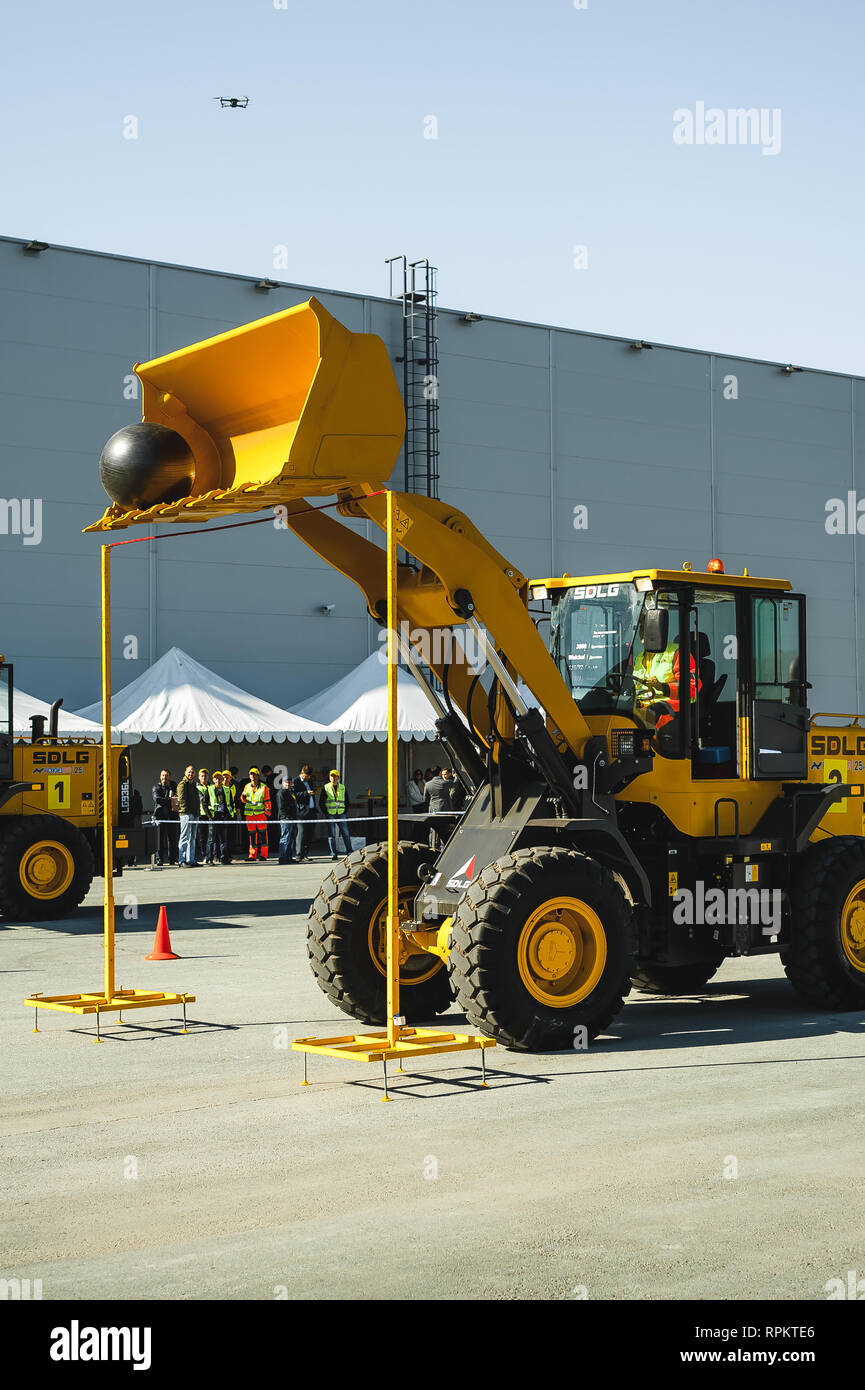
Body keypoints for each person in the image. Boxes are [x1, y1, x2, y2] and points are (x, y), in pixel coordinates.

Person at [320, 768, 352, 860]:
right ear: (329, 777)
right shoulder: (325, 787)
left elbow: (347, 801)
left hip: (341, 813)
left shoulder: (342, 787)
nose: (334, 778)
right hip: (330, 814)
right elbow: (321, 802)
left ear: (338, 777)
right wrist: (326, 812)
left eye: (335, 776)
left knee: (346, 833)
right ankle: (333, 853)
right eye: (332, 776)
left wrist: (345, 811)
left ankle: (349, 851)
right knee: (332, 834)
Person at [241, 767, 271, 861]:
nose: (252, 776)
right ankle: (252, 855)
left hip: (261, 815)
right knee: (252, 836)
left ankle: (263, 855)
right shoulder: (247, 786)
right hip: (250, 815)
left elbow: (267, 801)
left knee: (263, 835)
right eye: (251, 774)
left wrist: (267, 813)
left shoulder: (264, 787)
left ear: (258, 776)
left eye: (254, 774)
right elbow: (243, 800)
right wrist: (243, 797)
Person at [151, 768, 179, 867]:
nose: (164, 777)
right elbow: (157, 799)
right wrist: (170, 800)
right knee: (160, 839)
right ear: (160, 776)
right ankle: (160, 859)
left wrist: (170, 800)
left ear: (169, 777)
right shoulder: (156, 787)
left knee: (173, 839)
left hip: (172, 816)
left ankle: (172, 859)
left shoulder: (174, 785)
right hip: (160, 816)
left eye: (166, 775)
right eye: (163, 775)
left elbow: (178, 798)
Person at [424, 766, 454, 848]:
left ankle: (432, 847)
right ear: (440, 773)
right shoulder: (444, 783)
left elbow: (425, 799)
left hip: (432, 810)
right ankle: (443, 848)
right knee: (443, 831)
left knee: (432, 831)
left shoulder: (427, 784)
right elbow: (453, 783)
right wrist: (455, 777)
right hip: (443, 810)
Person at [292, 763, 317, 862]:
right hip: (301, 812)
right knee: (301, 833)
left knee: (309, 833)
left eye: (309, 776)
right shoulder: (295, 781)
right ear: (302, 773)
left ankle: (305, 854)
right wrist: (306, 793)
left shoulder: (309, 781)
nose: (308, 778)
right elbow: (294, 795)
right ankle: (299, 854)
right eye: (307, 776)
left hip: (311, 811)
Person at [176, 764, 199, 867]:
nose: (191, 773)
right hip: (186, 814)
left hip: (195, 814)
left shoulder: (194, 784)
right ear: (185, 772)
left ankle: (191, 860)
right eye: (189, 772)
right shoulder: (182, 784)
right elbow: (181, 800)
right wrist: (187, 813)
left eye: (192, 772)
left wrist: (196, 813)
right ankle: (182, 860)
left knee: (192, 838)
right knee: (184, 837)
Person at [207, 771, 232, 865]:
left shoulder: (226, 789)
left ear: (222, 779)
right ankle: (209, 859)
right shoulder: (209, 789)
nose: (218, 780)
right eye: (216, 778)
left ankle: (224, 858)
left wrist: (228, 814)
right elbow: (205, 803)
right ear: (213, 780)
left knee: (223, 839)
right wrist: (210, 815)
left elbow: (230, 802)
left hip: (223, 817)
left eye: (220, 778)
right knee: (211, 840)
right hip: (213, 817)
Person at [277, 776, 298, 864]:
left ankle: (288, 857)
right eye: (286, 782)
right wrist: (287, 816)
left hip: (291, 818)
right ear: (282, 783)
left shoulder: (290, 792)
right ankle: (282, 858)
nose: (288, 783)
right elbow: (282, 807)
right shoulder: (282, 792)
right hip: (286, 818)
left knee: (290, 838)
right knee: (285, 838)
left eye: (289, 782)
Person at [196, 768, 212, 863]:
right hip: (201, 814)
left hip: (211, 814)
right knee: (202, 837)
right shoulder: (196, 787)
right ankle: (204, 854)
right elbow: (202, 799)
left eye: (205, 776)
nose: (204, 778)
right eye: (202, 776)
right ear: (199, 777)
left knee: (211, 837)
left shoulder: (212, 786)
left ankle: (211, 855)